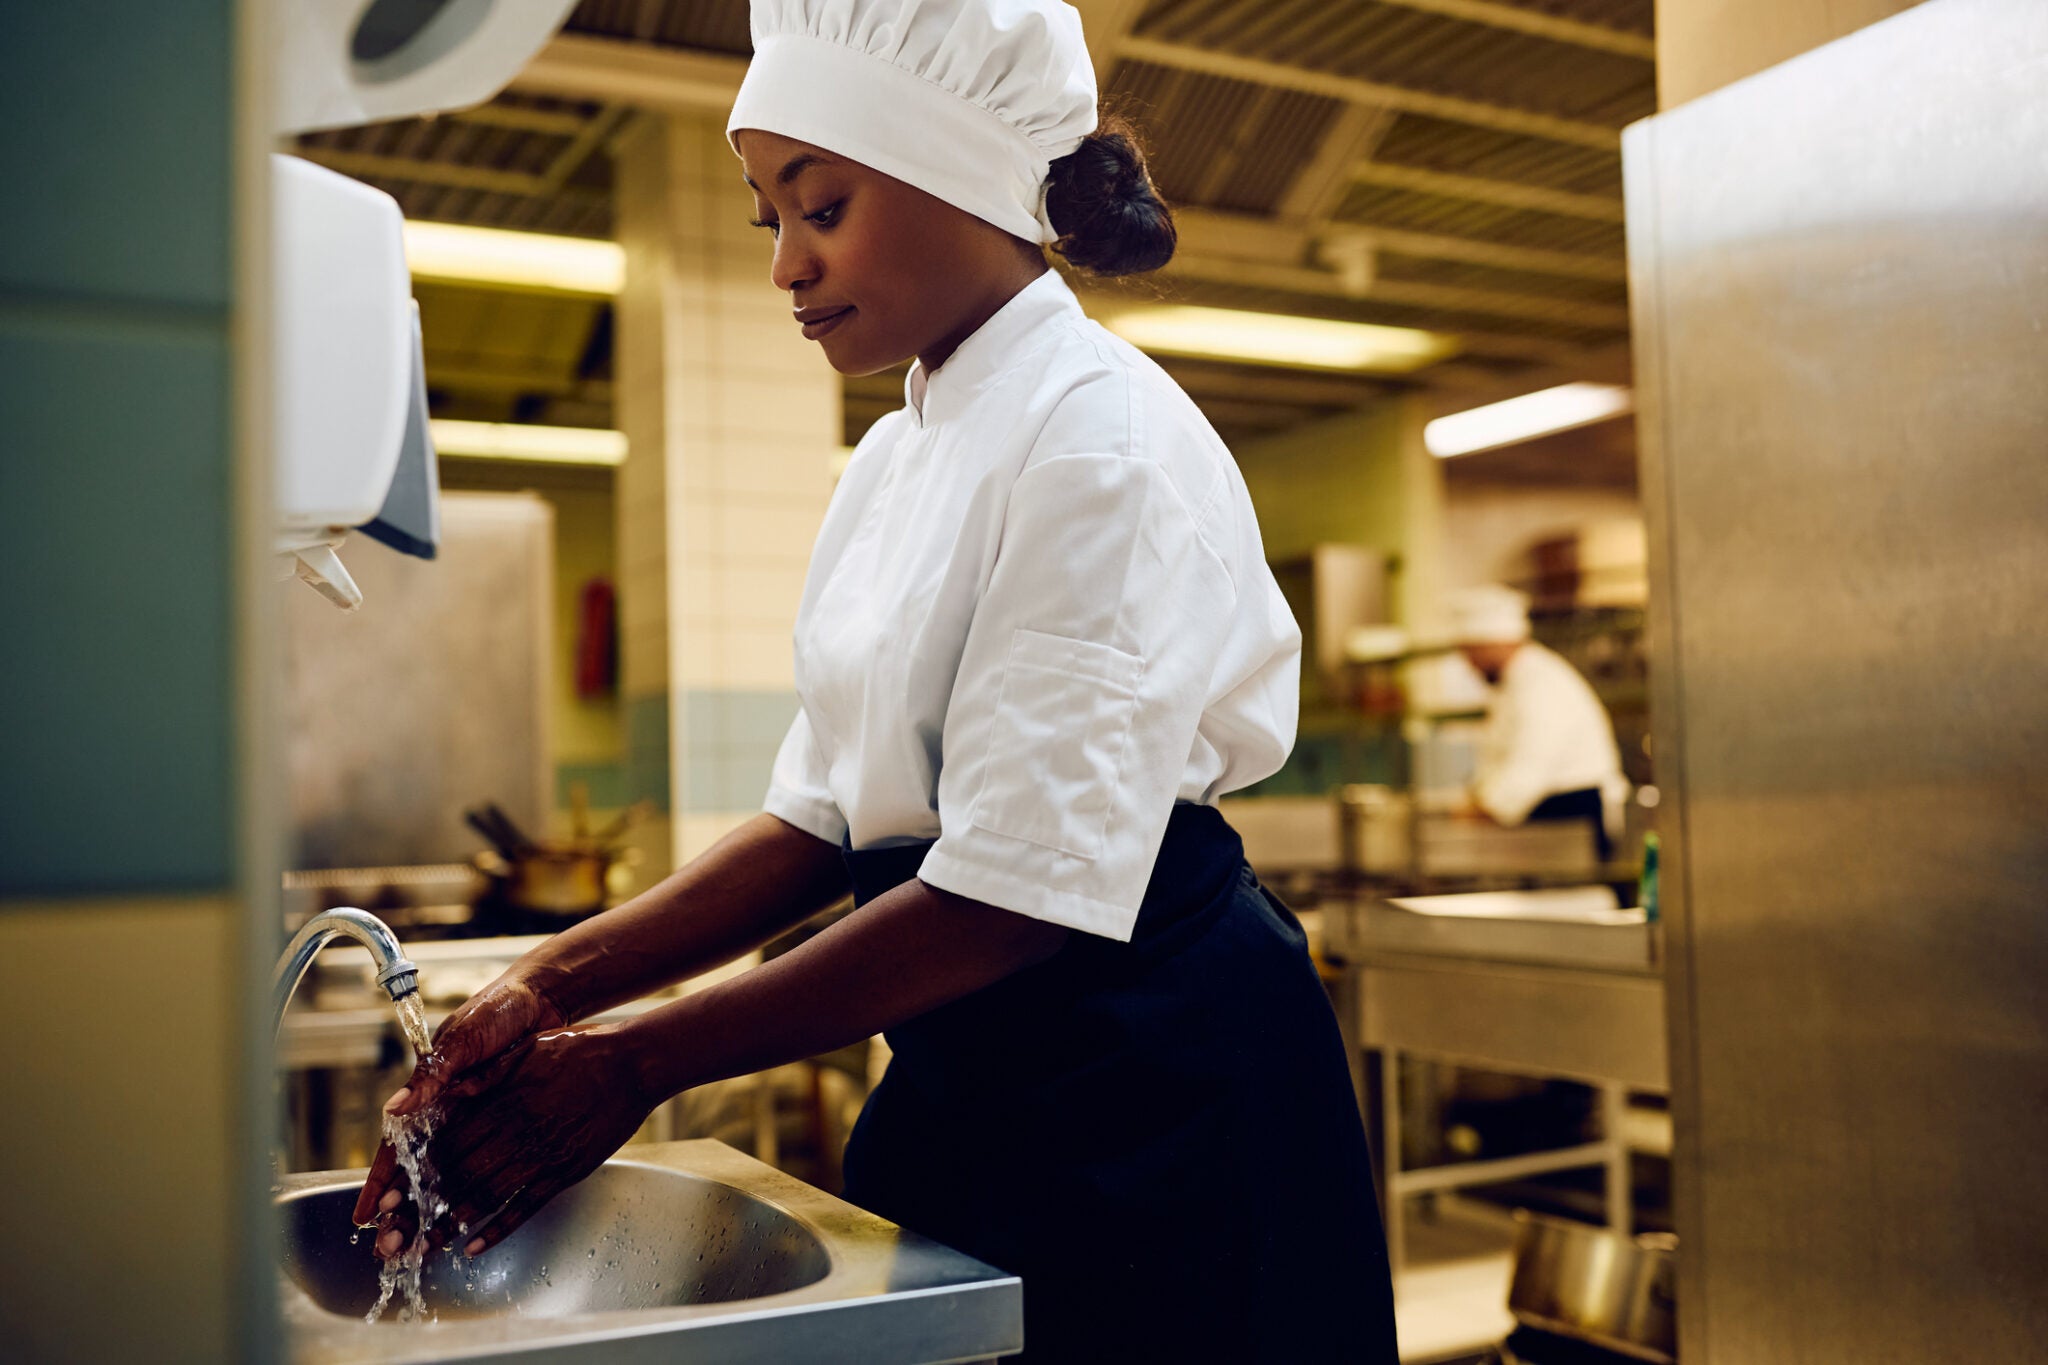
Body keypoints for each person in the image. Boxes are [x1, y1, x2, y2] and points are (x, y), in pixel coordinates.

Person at [352, 0, 1398, 1359]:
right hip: (977, 1062)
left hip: (1159, 1079)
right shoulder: (893, 463)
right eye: (766, 217)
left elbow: (1019, 890)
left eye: (822, 205)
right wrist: (547, 986)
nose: (786, 263)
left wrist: (632, 1063)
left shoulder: (1100, 439)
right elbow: (822, 823)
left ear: (960, 176)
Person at [1450, 584, 1628, 863]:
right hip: (1548, 817)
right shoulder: (1512, 684)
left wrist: (1487, 808)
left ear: (1497, 643)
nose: (1469, 665)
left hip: (1572, 814)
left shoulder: (1540, 682)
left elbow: (1532, 762)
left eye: (1472, 652)